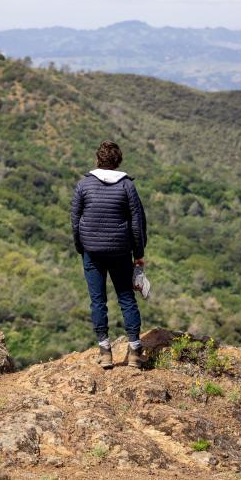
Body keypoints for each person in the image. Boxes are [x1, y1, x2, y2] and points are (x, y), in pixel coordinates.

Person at [70, 141, 148, 369]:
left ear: (97, 159)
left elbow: (75, 220)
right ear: (118, 161)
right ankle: (134, 352)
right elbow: (137, 223)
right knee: (126, 299)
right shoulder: (127, 187)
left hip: (91, 252)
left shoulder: (84, 185)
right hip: (120, 252)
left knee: (98, 301)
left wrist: (80, 247)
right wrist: (139, 254)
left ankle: (105, 352)